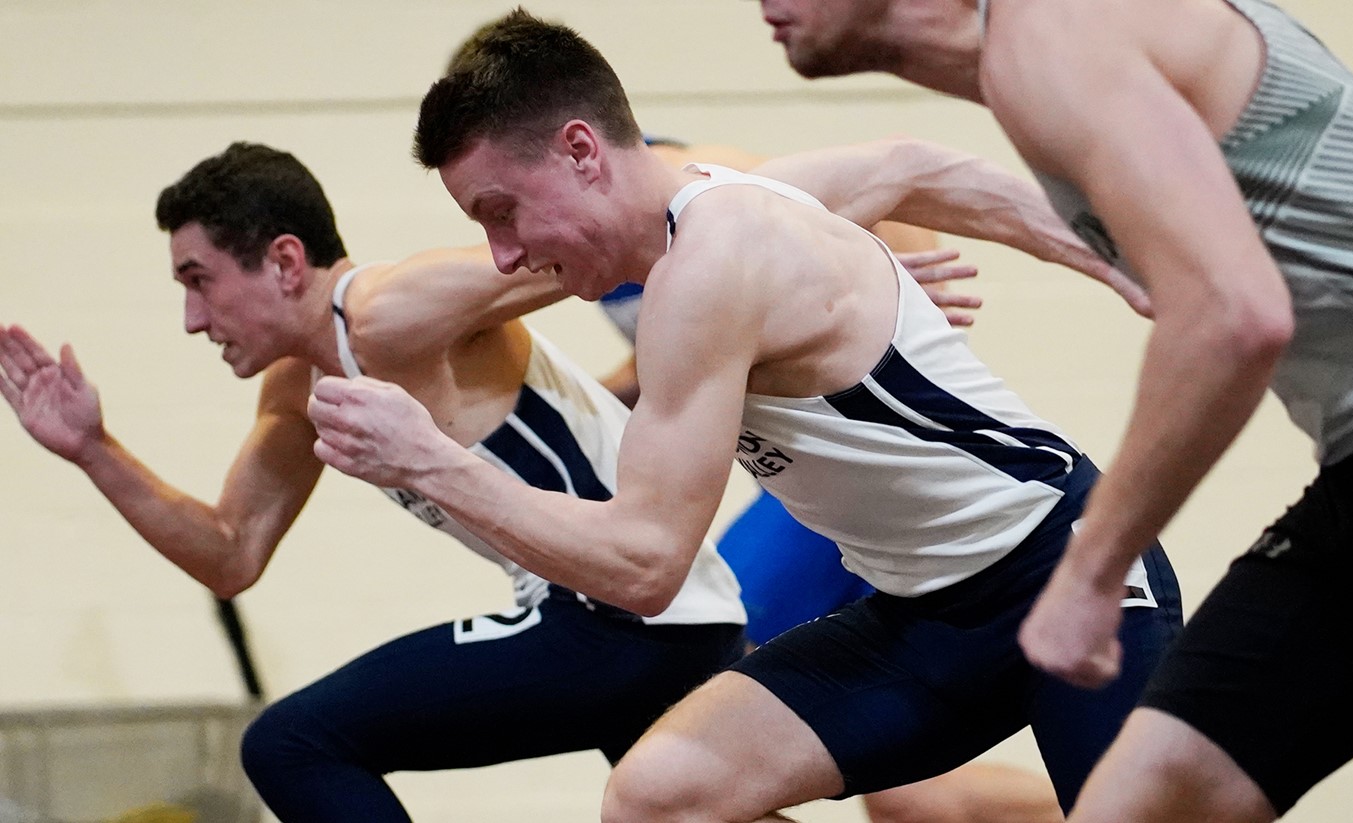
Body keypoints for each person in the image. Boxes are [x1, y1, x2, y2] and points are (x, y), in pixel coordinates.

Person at [306, 10, 1181, 821]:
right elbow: (909, 164)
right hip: (920, 616)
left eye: (502, 213)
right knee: (656, 795)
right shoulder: (721, 209)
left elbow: (645, 563)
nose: (502, 255)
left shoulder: (713, 258)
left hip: (1062, 570)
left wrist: (429, 461)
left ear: (580, 150)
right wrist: (1106, 255)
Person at [757, 0, 1353, 821]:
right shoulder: (1036, 58)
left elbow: (1234, 316)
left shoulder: (1051, 31)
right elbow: (919, 172)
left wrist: (1089, 570)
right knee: (1142, 802)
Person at [0, 141, 748, 822]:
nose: (193, 319)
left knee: (292, 743)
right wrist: (93, 450)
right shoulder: (298, 386)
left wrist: (770, 201)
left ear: (286, 262)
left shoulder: (391, 307)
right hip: (657, 618)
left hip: (618, 612)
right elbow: (230, 554)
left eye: (200, 281)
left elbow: (611, 239)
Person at [614, 137, 1065, 823]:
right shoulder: (590, 249)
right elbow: (675, 359)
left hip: (847, 498)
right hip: (827, 504)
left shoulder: (712, 190)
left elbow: (889, 189)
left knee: (681, 697)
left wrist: (875, 276)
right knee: (906, 800)